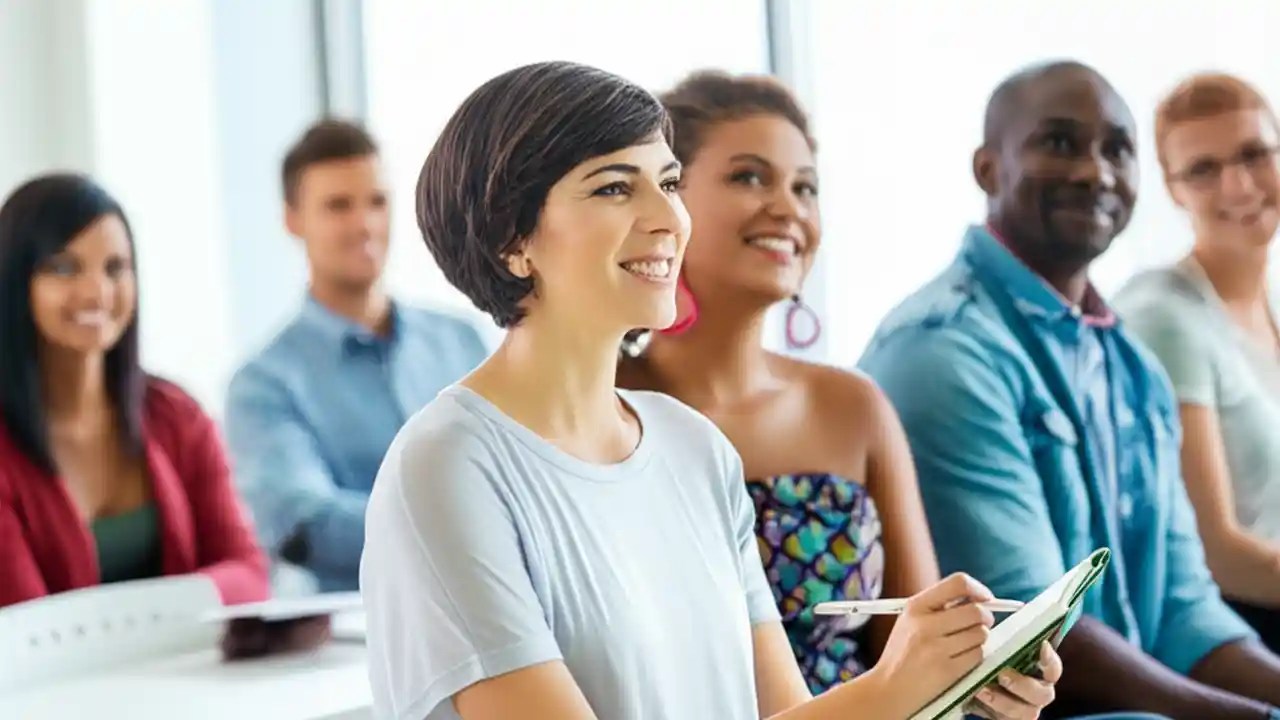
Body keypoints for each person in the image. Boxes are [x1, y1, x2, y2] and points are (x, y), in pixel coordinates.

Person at [359, 60, 1062, 720]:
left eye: (666, 182)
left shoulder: (693, 447)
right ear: (511, 240)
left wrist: (946, 686)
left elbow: (787, 716)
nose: (668, 219)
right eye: (613, 186)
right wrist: (888, 690)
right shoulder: (447, 466)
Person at [859, 60, 1280, 719]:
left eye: (1117, 148)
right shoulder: (942, 349)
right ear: (987, 169)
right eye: (1058, 143)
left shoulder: (1131, 365)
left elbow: (1184, 612)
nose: (1094, 171)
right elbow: (1035, 632)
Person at [617, 71, 936, 693]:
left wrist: (987, 679)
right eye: (749, 177)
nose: (789, 208)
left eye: (805, 187)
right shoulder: (595, 404)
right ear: (666, 200)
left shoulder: (853, 406)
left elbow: (919, 650)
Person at [224, 119, 488, 592]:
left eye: (377, 202)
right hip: (358, 637)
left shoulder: (461, 339)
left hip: (494, 607)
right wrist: (467, 528)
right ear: (292, 219)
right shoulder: (263, 384)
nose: (364, 222)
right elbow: (303, 521)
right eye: (338, 206)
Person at [0, 173, 269, 608]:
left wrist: (159, 611)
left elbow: (249, 573)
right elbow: (22, 625)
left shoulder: (176, 416)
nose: (97, 292)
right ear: (15, 282)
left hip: (185, 671)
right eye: (64, 267)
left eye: (115, 268)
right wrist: (179, 608)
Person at [1113, 72, 1280, 653]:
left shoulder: (1268, 305)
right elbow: (1219, 552)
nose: (1238, 186)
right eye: (1204, 170)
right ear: (1173, 188)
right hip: (1240, 627)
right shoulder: (1166, 316)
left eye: (1255, 154)